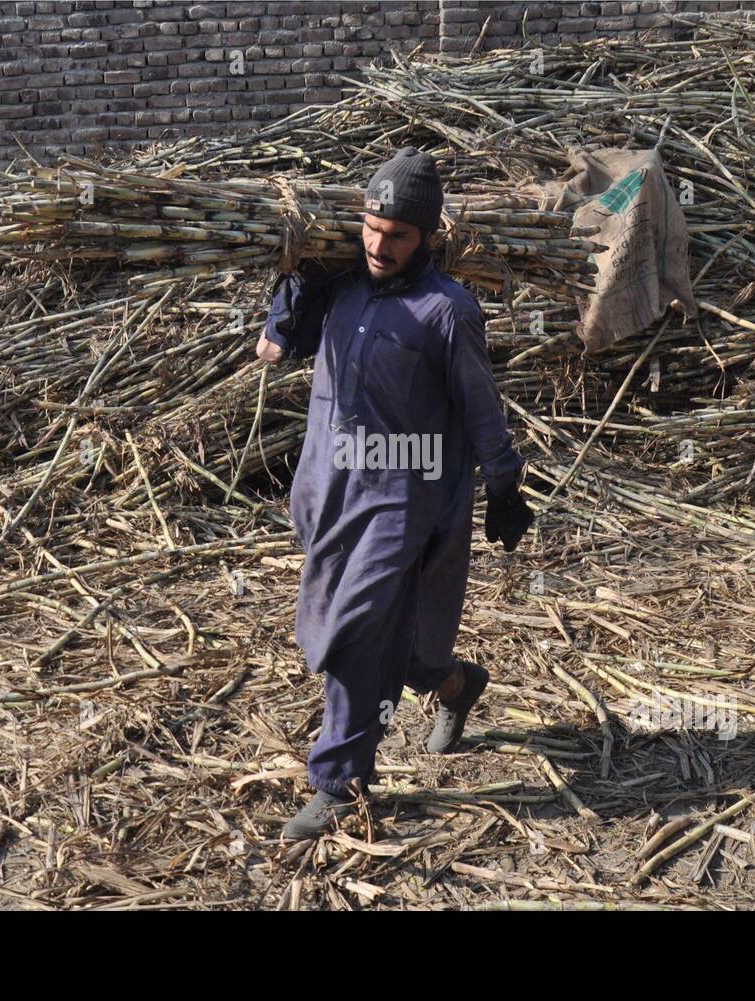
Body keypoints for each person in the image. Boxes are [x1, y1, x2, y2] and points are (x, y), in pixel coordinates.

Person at [256, 147, 534, 839]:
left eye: (398, 235)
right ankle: (455, 683)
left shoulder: (448, 311)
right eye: (371, 229)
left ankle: (340, 781)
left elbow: (480, 408)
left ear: (429, 236)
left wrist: (504, 483)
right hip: (328, 490)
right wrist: (295, 284)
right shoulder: (341, 289)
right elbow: (273, 349)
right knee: (406, 652)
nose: (380, 246)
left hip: (406, 499)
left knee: (356, 631)